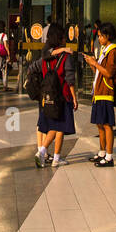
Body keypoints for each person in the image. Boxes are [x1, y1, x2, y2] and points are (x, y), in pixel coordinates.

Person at [33, 24, 77, 169]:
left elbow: (35, 68)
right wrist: (74, 98)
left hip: (48, 97)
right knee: (59, 126)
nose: (65, 38)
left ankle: (55, 157)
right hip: (63, 96)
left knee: (57, 126)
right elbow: (70, 79)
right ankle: (44, 152)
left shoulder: (46, 57)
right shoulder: (66, 57)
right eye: (64, 36)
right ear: (60, 38)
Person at [84, 22, 116, 168]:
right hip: (98, 92)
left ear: (107, 36)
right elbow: (99, 73)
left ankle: (109, 156)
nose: (99, 38)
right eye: (98, 36)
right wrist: (91, 63)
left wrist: (95, 63)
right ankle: (101, 152)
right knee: (99, 124)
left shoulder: (113, 51)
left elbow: (109, 73)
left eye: (100, 36)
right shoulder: (104, 50)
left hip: (106, 93)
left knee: (107, 125)